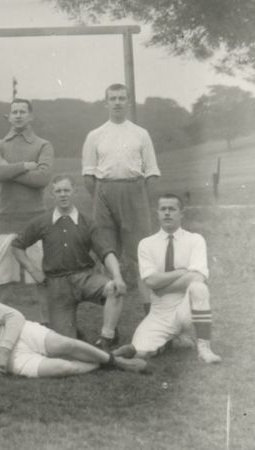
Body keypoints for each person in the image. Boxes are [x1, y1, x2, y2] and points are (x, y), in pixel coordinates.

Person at [0, 269, 146, 379]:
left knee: (67, 345)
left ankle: (118, 362)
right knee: (64, 367)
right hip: (11, 360)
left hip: (21, 334)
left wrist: (3, 348)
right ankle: (114, 357)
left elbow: (14, 316)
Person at [11, 175, 127, 350]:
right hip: (57, 285)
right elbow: (17, 245)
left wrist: (117, 276)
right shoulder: (43, 221)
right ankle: (72, 328)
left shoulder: (87, 222)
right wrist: (33, 271)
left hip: (85, 278)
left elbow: (106, 252)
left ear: (74, 192)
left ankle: (107, 336)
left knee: (114, 289)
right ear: (52, 194)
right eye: (58, 191)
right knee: (64, 345)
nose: (63, 195)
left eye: (66, 190)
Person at [115, 194, 222, 363]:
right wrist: (181, 272)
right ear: (157, 213)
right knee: (140, 352)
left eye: (172, 209)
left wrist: (162, 288)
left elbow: (196, 277)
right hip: (160, 310)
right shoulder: (146, 244)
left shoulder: (195, 240)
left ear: (181, 213)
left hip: (187, 306)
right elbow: (150, 281)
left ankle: (204, 349)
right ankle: (169, 341)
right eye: (163, 209)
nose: (167, 213)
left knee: (199, 288)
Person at [81, 83, 160, 311]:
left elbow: (152, 172)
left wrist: (142, 200)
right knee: (108, 257)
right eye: (113, 98)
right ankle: (111, 325)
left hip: (134, 193)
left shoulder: (140, 134)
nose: (117, 102)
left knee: (141, 257)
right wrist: (101, 198)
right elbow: (88, 176)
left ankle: (150, 315)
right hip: (104, 194)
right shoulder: (95, 135)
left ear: (128, 102)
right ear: (106, 103)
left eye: (121, 98)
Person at [0, 98, 54, 321]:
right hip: (4, 221)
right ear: (9, 116)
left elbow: (42, 178)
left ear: (30, 116)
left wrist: (9, 171)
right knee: (2, 279)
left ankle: (47, 325)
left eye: (22, 112)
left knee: (40, 277)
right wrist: (25, 166)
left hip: (36, 220)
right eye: (14, 112)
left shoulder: (42, 145)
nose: (18, 115)